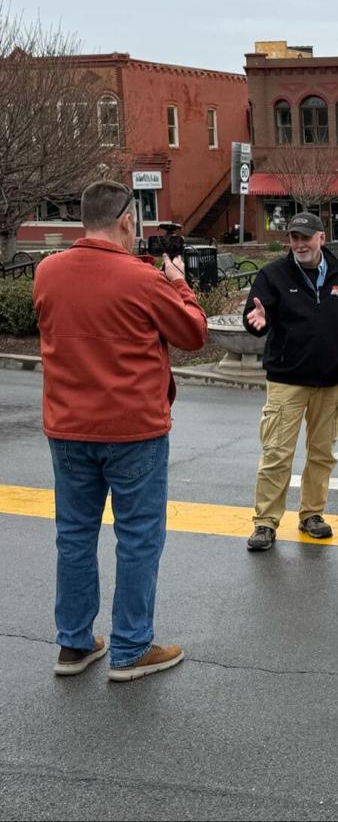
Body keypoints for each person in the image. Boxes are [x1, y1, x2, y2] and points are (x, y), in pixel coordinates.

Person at [33, 180, 208, 682]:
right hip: (134, 429)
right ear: (128, 221)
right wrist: (177, 281)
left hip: (67, 426)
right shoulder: (142, 278)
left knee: (74, 535)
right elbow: (193, 334)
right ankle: (131, 648)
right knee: (137, 537)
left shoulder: (47, 272)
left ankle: (74, 643)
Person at [242, 212, 338, 551]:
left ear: (321, 238)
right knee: (276, 454)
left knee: (322, 454)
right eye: (294, 238)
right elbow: (257, 313)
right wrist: (257, 319)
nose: (299, 244)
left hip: (330, 381)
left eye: (305, 237)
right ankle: (266, 523)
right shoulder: (273, 274)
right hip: (287, 380)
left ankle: (312, 514)